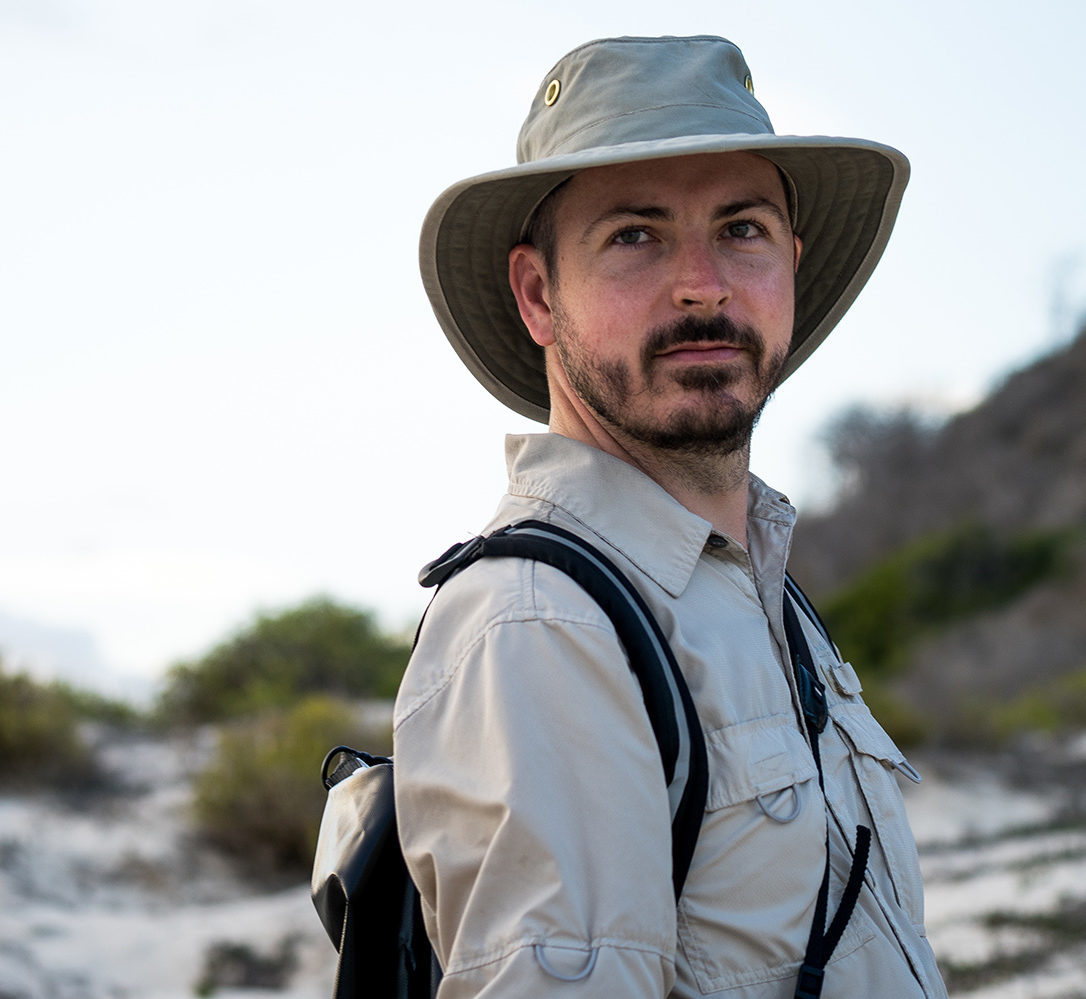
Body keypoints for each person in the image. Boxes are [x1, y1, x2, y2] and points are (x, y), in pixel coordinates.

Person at [394, 35, 947, 999]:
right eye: (635, 236)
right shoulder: (544, 623)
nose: (703, 282)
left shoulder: (749, 584)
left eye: (743, 229)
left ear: (790, 266)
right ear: (538, 294)